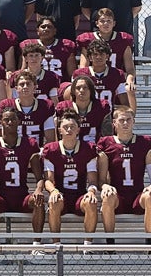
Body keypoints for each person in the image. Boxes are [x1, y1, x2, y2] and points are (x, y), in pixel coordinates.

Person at [0, 107, 45, 245]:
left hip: (22, 196)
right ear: (1, 122)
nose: (10, 122)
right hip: (2, 196)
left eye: (13, 119)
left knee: (39, 200)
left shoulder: (30, 144)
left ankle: (37, 244)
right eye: (6, 119)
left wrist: (39, 190)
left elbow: (39, 177)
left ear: (19, 122)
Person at [43, 108, 99, 247]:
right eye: (65, 127)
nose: (69, 130)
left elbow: (92, 180)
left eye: (72, 127)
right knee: (54, 201)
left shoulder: (88, 149)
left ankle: (88, 245)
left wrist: (91, 191)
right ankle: (57, 244)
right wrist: (54, 191)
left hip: (79, 196)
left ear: (78, 130)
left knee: (91, 201)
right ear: (59, 130)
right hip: (61, 195)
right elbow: (48, 180)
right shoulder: (52, 150)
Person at [97, 106, 151, 242]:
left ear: (134, 121)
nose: (125, 123)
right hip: (117, 197)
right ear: (114, 123)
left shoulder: (144, 142)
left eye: (128, 120)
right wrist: (105, 187)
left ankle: (149, 243)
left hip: (137, 197)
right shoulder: (106, 144)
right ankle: (110, 243)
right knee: (108, 196)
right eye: (122, 120)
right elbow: (101, 180)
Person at [77, 8, 136, 109]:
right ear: (97, 23)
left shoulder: (123, 39)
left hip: (115, 78)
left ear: (114, 23)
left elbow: (130, 68)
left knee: (129, 89)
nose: (106, 24)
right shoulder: (87, 39)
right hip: (94, 77)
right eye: (102, 21)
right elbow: (83, 67)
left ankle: (130, 118)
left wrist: (130, 80)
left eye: (109, 21)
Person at [0, 70, 56, 146]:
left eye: (28, 84)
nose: (25, 87)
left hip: (37, 152)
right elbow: (2, 135)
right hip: (14, 151)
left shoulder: (45, 106)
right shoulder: (7, 105)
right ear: (16, 88)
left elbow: (50, 140)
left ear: (35, 87)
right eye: (22, 84)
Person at [71, 39, 130, 110]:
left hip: (107, 116)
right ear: (90, 57)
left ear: (107, 57)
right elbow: (73, 98)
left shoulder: (117, 74)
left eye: (102, 54)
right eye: (95, 54)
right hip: (86, 114)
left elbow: (124, 101)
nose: (98, 57)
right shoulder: (79, 74)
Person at [55, 75, 112, 144]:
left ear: (91, 90)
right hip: (70, 150)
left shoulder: (101, 107)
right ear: (73, 91)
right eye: (78, 88)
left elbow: (107, 135)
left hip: (95, 150)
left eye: (85, 88)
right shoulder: (63, 107)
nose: (82, 90)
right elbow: (57, 135)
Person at [20, 16, 77, 82]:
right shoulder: (28, 45)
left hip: (60, 85)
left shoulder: (67, 46)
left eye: (49, 27)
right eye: (43, 27)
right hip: (34, 85)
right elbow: (23, 70)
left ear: (55, 31)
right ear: (37, 31)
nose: (46, 29)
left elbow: (72, 75)